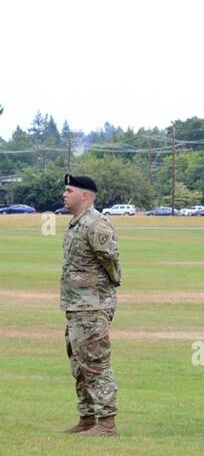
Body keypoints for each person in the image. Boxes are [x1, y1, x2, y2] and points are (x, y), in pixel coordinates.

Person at [59, 174, 121, 436]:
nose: (64, 194)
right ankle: (87, 417)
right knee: (79, 364)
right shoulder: (76, 224)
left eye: (69, 190)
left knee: (96, 362)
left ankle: (106, 422)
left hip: (92, 306)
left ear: (85, 195)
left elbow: (110, 261)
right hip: (76, 306)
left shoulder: (96, 224)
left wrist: (103, 293)